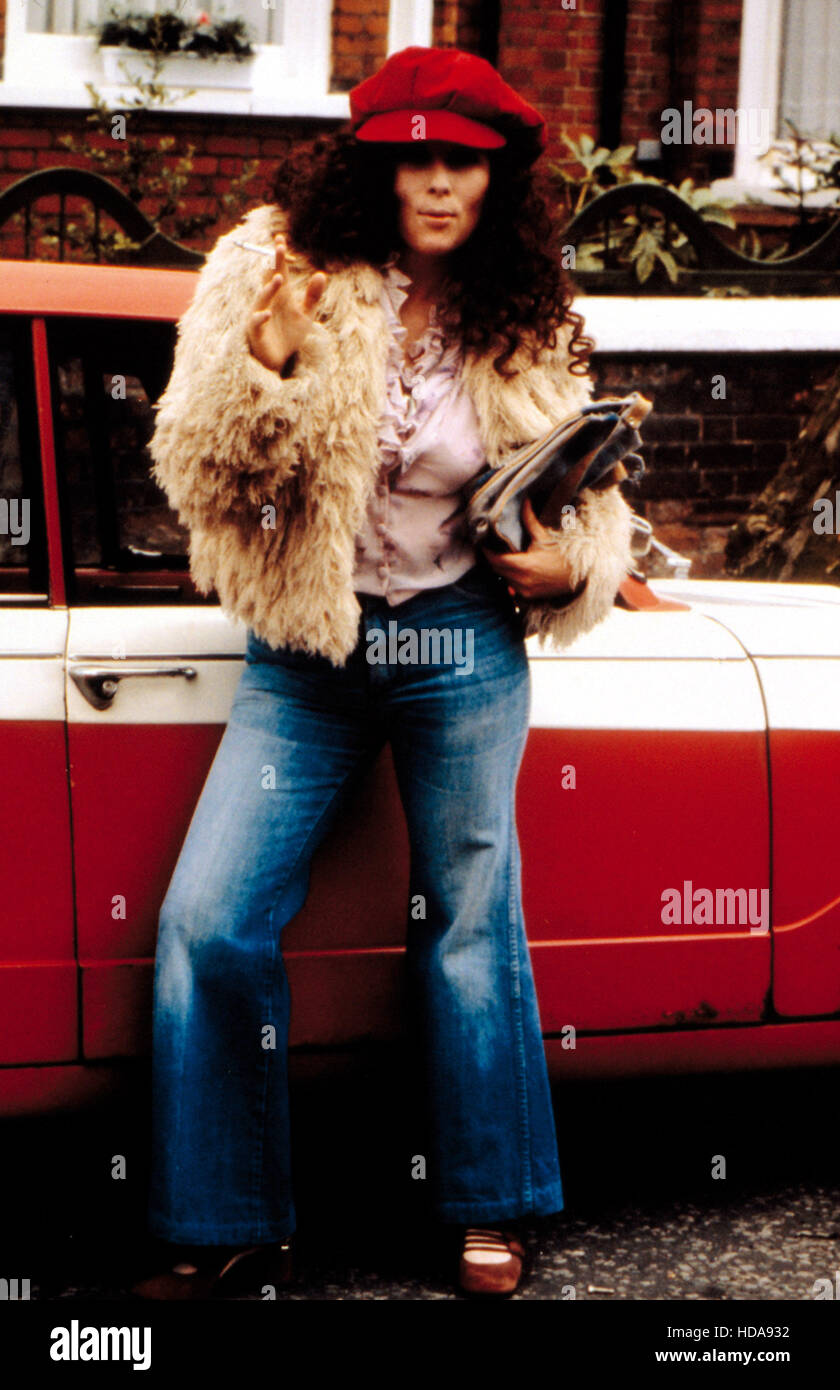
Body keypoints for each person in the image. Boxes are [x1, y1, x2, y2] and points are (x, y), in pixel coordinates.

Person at [133, 44, 633, 1301]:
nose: (438, 183)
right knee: (209, 918)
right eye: (414, 156)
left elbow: (590, 492)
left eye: (462, 160)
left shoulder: (524, 306)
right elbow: (207, 480)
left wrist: (566, 562)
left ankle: (494, 1204)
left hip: (461, 639)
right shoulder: (274, 265)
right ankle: (226, 1216)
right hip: (307, 647)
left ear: (495, 173)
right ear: (376, 163)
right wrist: (275, 364)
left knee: (472, 919)